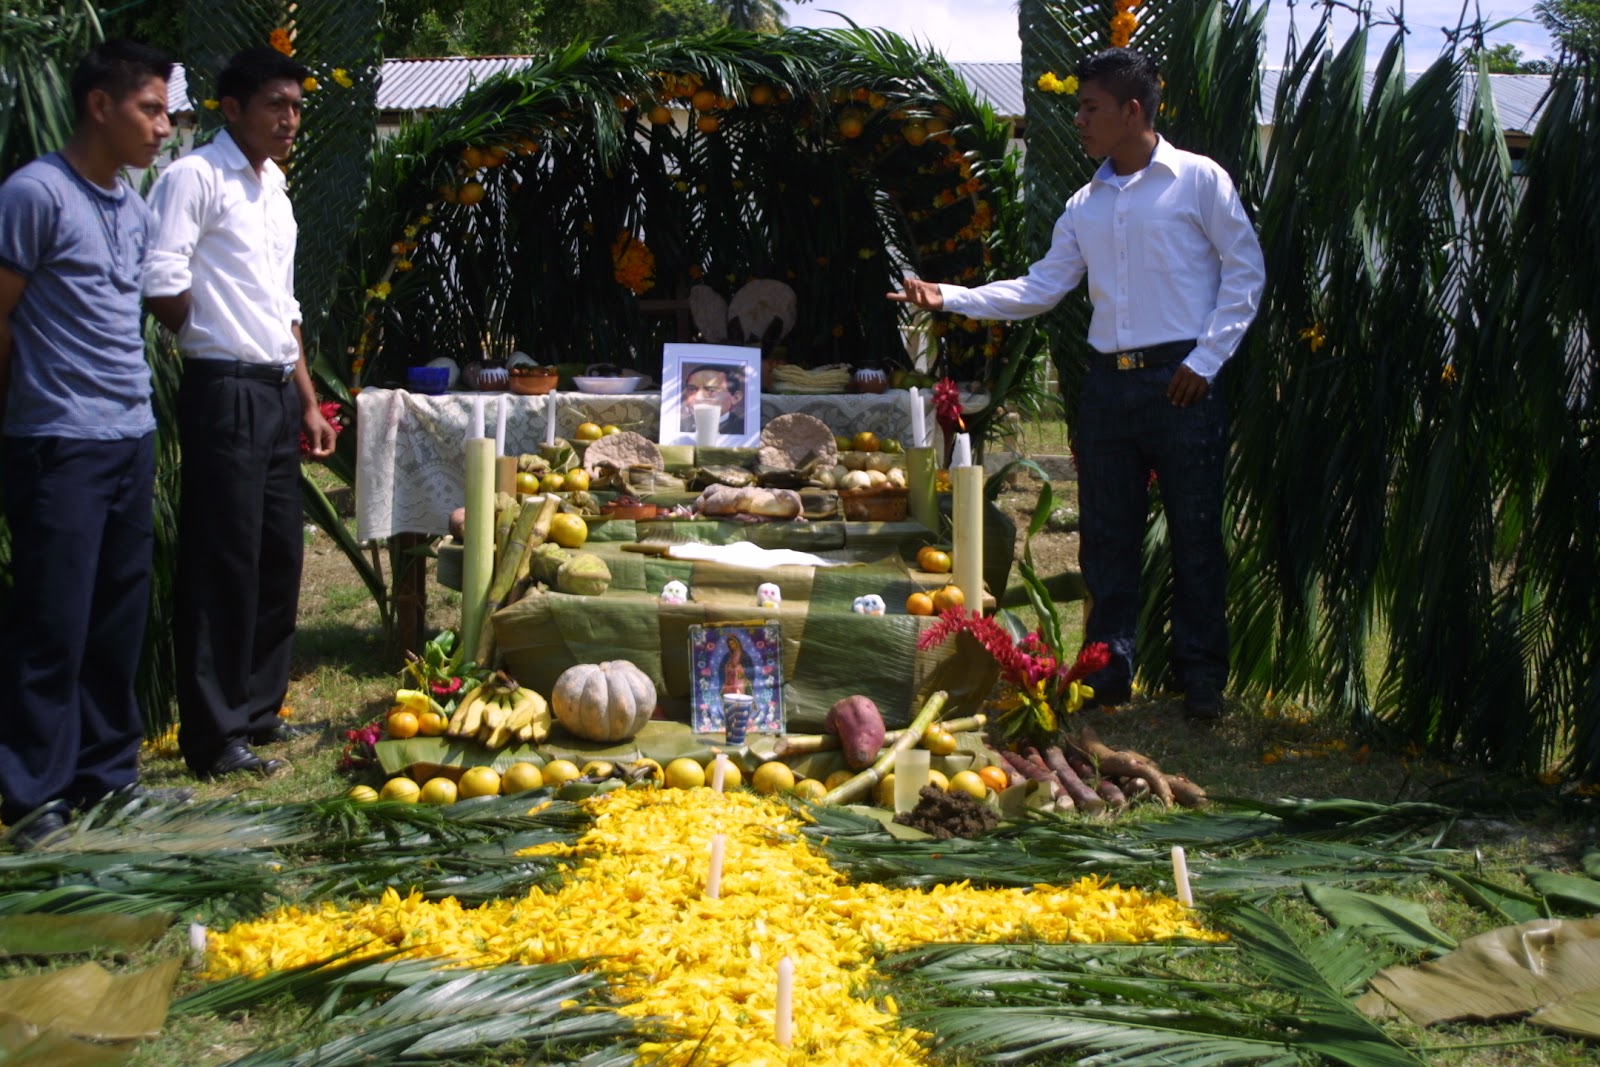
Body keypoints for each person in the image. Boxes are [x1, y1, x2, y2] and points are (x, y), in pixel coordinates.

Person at [889, 48, 1265, 721]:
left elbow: (1245, 273)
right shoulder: (1085, 205)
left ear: (1133, 110)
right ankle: (1108, 672)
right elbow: (1039, 288)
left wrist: (1204, 362)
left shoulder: (1200, 181)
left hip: (1185, 381)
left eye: (1090, 107)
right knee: (1107, 536)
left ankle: (1201, 681)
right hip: (1108, 389)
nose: (1079, 119)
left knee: (1196, 534)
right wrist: (946, 296)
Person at [0, 40, 178, 848]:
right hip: (57, 441)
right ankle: (32, 794)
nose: (164, 127)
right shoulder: (34, 195)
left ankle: (108, 777)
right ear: (100, 106)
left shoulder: (133, 208)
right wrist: (30, 404)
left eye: (167, 111)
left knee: (115, 622)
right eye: (151, 108)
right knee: (52, 623)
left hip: (128, 436)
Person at [144, 47, 337, 780]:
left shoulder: (275, 189)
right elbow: (162, 277)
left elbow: (281, 307)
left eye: (296, 107)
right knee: (222, 561)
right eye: (275, 106)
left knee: (276, 555)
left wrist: (308, 399)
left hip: (272, 389)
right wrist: (210, 337)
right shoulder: (194, 178)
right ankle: (213, 734)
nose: (290, 120)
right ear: (232, 109)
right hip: (221, 384)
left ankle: (259, 708)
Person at [682, 363, 745, 435]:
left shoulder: (746, 431)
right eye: (692, 389)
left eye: (712, 390)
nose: (699, 397)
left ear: (735, 398)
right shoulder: (679, 427)